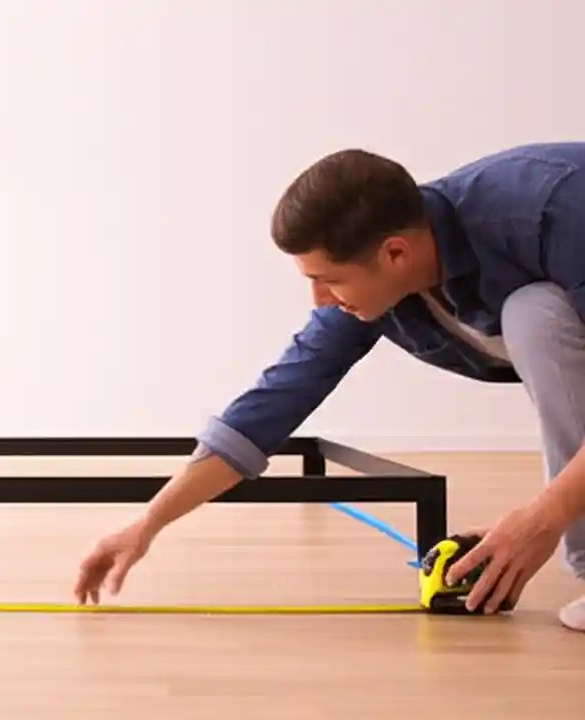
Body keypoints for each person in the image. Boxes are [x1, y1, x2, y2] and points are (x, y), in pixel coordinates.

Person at [73, 142, 585, 631]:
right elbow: (267, 409)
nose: (320, 300)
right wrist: (146, 526)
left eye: (329, 279)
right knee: (533, 315)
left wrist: (542, 516)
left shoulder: (553, 210)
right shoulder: (378, 282)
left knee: (534, 315)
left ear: (395, 253)